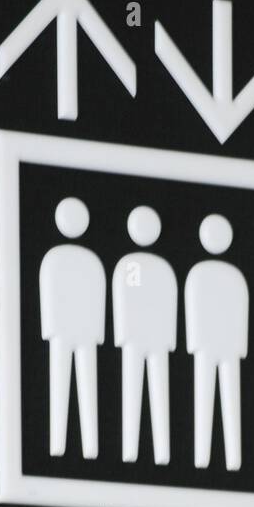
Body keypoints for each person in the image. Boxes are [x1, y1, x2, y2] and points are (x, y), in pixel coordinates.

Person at [39, 197, 105, 459]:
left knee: (79, 386)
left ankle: (84, 444)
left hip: (75, 330)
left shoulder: (57, 259)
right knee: (67, 385)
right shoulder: (84, 261)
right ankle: (64, 441)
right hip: (69, 330)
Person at [112, 206, 177, 465]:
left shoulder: (137, 267)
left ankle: (158, 451)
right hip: (140, 337)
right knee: (138, 391)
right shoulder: (140, 267)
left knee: (152, 393)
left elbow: (170, 305)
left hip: (149, 337)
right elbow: (122, 301)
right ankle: (135, 448)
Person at [184, 214, 248, 471]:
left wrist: (193, 345)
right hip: (221, 345)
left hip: (212, 345)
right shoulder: (234, 277)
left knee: (209, 398)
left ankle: (212, 455)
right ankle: (221, 455)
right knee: (222, 398)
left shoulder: (199, 274)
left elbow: (195, 310)